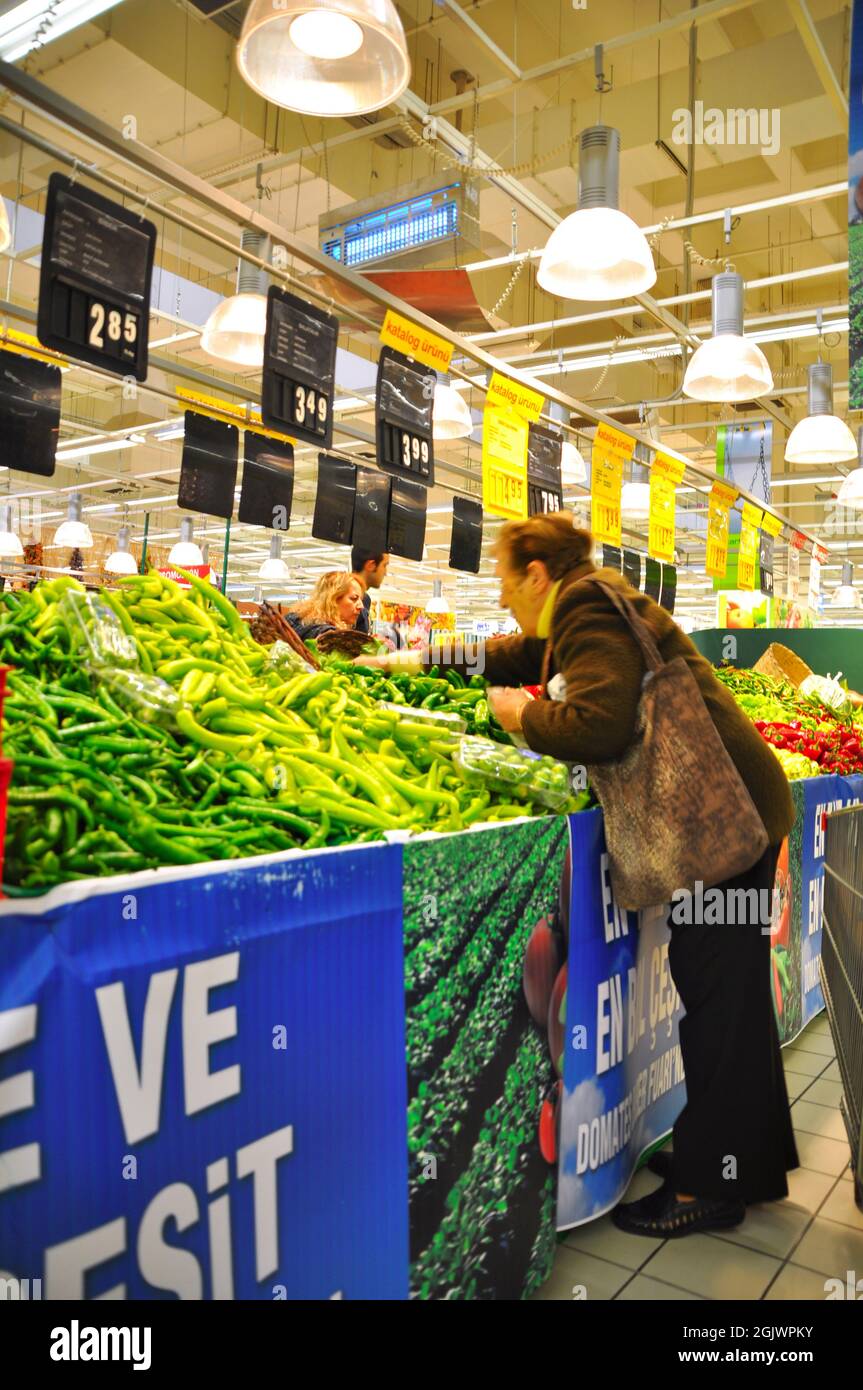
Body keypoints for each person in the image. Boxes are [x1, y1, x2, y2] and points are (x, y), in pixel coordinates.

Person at [362, 511, 798, 1238]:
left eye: (506, 581)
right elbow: (508, 653)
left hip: (721, 823)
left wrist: (518, 720)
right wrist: (405, 663)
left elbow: (599, 724)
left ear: (538, 574)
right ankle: (739, 1159)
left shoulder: (587, 606)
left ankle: (712, 1185)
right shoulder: (583, 605)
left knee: (719, 996)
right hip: (735, 813)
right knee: (732, 995)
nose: (502, 597)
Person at [284, 571, 365, 642]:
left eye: (361, 599)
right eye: (354, 598)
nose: (361, 606)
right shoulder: (328, 636)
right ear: (333, 599)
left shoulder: (291, 623)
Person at [350, 548, 389, 635]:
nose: (386, 572)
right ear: (371, 565)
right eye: (384, 565)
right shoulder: (341, 598)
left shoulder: (366, 599)